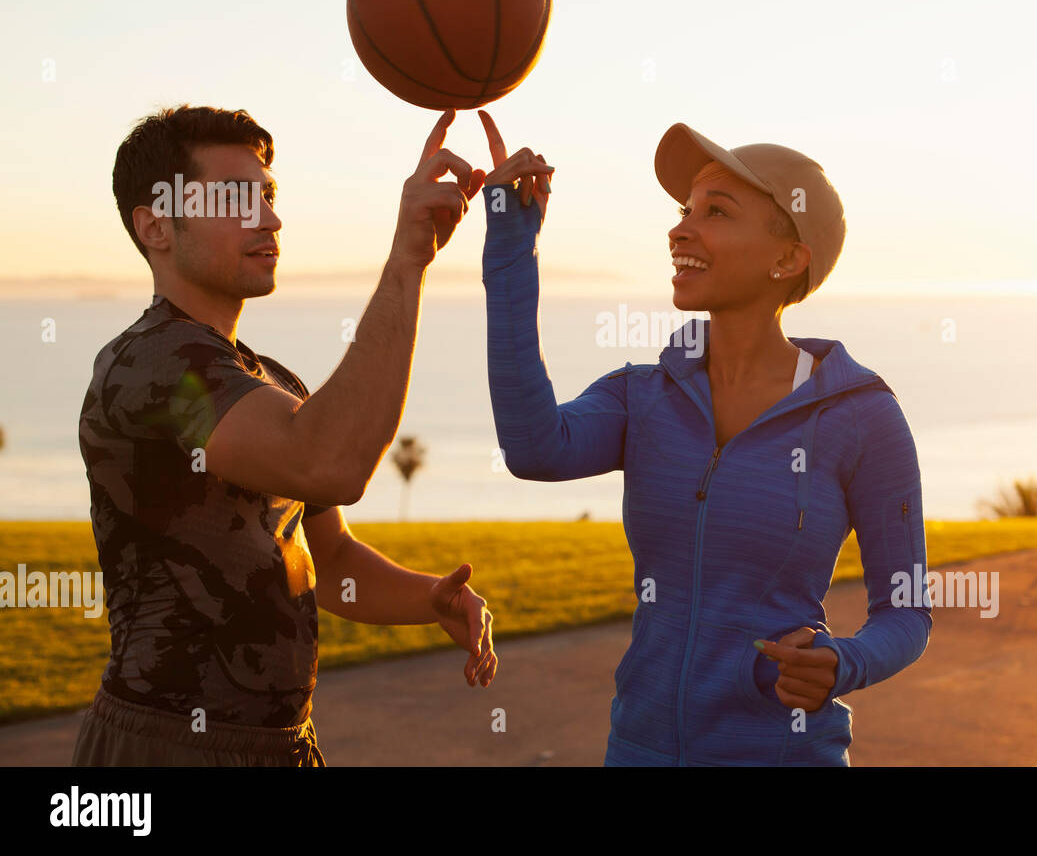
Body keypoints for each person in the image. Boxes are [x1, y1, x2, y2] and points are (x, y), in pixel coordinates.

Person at [476, 111, 931, 765]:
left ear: (788, 257)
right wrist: (513, 245)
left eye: (716, 211)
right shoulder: (643, 395)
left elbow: (907, 610)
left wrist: (845, 661)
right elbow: (533, 447)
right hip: (638, 750)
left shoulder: (861, 417)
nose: (679, 227)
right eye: (686, 209)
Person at [74, 104, 497, 766]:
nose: (269, 218)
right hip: (167, 750)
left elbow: (325, 560)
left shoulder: (269, 381)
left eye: (269, 196)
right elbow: (327, 462)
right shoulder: (150, 365)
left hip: (283, 747)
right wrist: (407, 260)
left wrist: (429, 597)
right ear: (156, 224)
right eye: (237, 197)